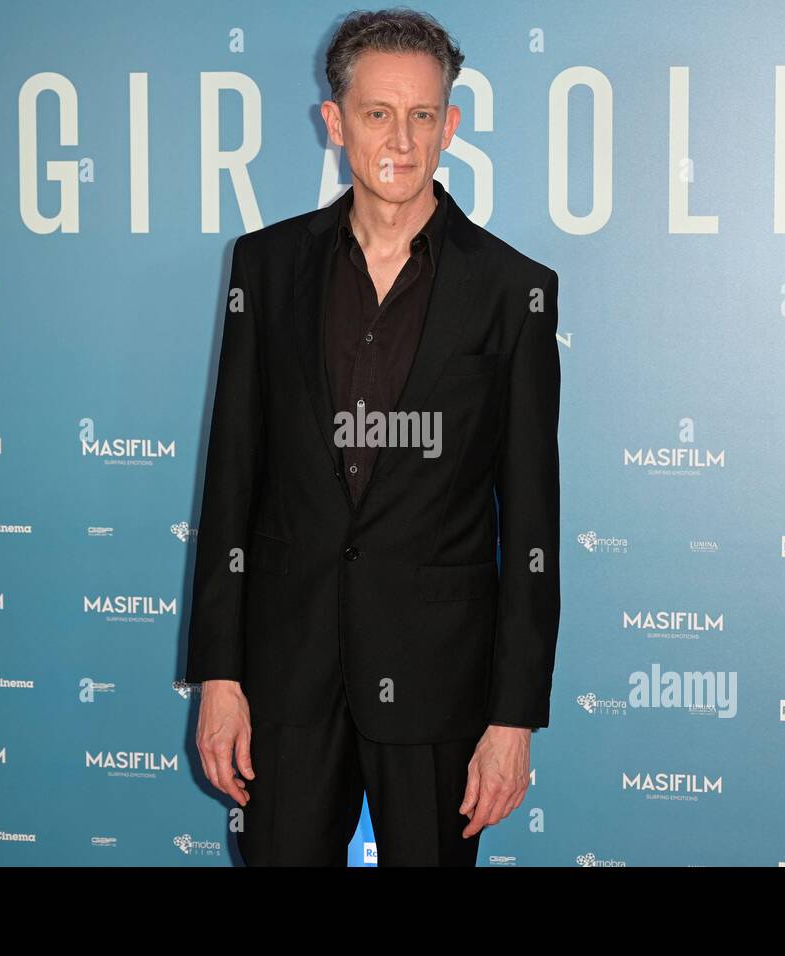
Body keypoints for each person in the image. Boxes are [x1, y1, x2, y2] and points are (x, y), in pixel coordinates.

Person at [185, 7, 560, 866]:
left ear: (451, 126)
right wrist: (220, 674)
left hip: (440, 687)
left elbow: (533, 519)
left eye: (424, 115)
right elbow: (232, 478)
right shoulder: (265, 270)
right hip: (286, 681)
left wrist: (513, 718)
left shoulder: (513, 291)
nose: (402, 137)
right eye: (378, 113)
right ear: (335, 122)